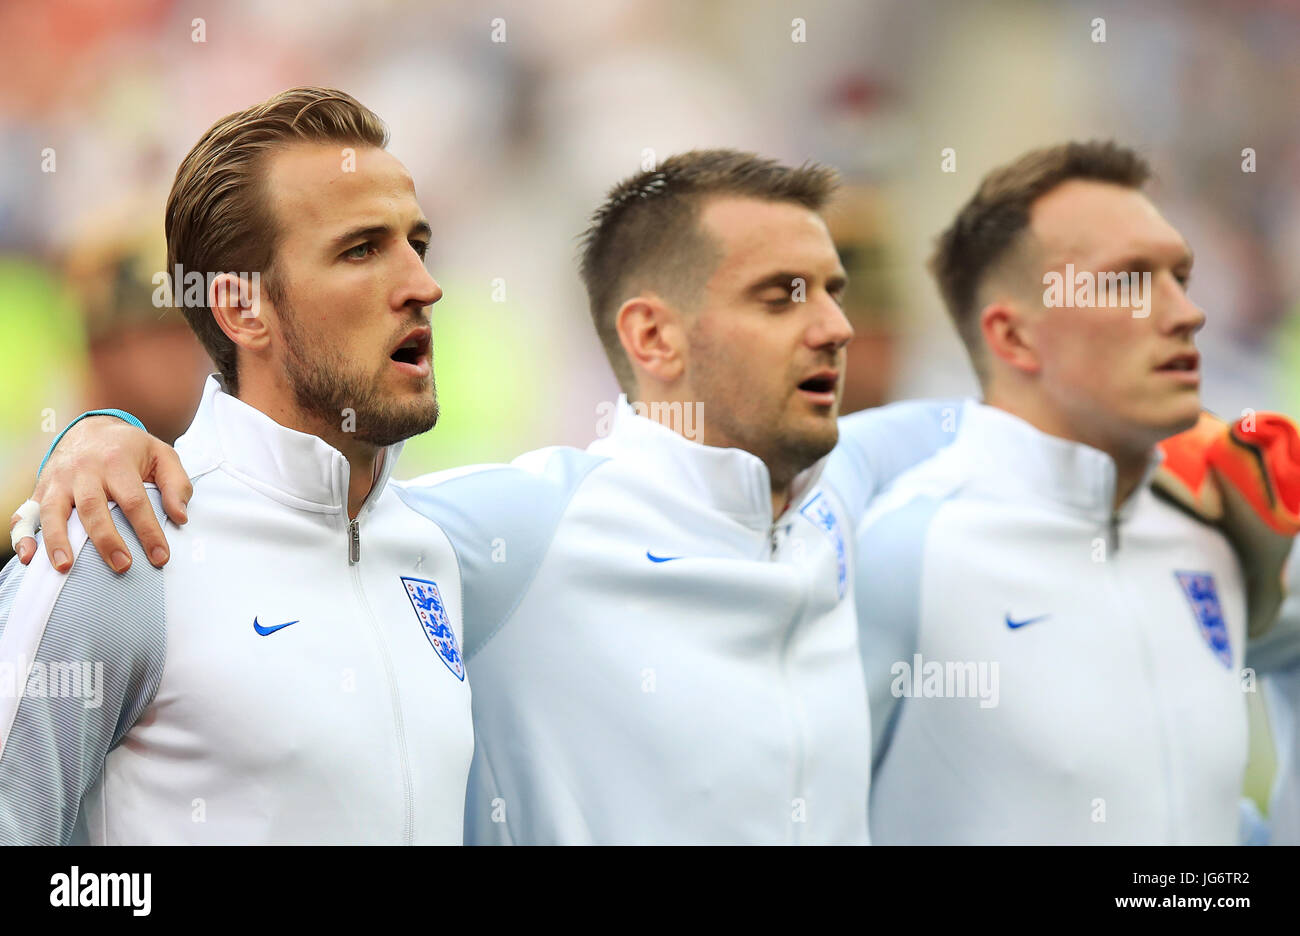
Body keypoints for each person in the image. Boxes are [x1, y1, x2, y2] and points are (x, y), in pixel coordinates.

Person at [15, 149, 960, 844]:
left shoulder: (407, 547)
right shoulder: (520, 531)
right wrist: (91, 435)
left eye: (418, 246)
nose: (424, 285)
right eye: (783, 295)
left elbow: (1003, 430)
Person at [0, 88, 474, 844]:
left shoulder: (448, 548)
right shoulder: (105, 548)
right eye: (361, 249)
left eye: (417, 242)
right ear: (242, 309)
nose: (423, 283)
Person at [855, 140, 1300, 844]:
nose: (1188, 312)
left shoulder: (1218, 534)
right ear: (1013, 336)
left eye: (1180, 276)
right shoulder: (901, 550)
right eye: (1129, 281)